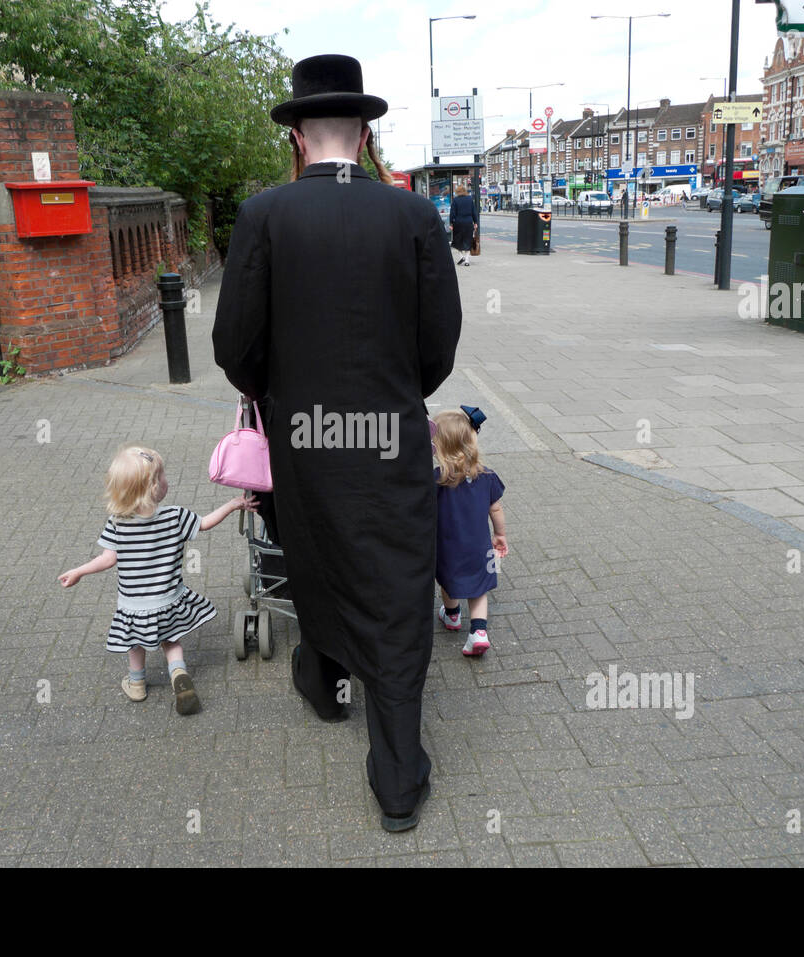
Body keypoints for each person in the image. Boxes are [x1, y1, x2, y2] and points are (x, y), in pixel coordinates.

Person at [212, 54, 462, 832]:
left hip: (304, 436)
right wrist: (395, 392)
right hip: (389, 433)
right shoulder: (414, 217)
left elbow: (234, 346)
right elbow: (439, 343)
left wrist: (276, 395)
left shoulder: (263, 217)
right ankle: (395, 776)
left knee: (314, 557)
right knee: (392, 581)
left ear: (297, 137)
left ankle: (321, 681)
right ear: (364, 132)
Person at [57, 445, 255, 715]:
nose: (167, 481)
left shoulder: (117, 524)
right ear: (152, 488)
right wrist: (233, 505)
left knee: (135, 643)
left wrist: (79, 570)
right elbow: (206, 523)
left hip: (134, 606)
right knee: (171, 639)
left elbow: (107, 559)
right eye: (162, 476)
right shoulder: (175, 517)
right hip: (168, 600)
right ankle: (179, 676)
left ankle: (137, 683)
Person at [431, 409, 508, 657]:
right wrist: (500, 535)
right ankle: (478, 632)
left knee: (447, 578)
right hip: (480, 547)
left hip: (448, 547)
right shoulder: (486, 476)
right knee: (479, 589)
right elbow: (496, 508)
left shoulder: (436, 480)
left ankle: (452, 615)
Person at [449, 184, 479, 266]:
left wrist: (451, 223)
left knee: (457, 241)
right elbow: (474, 212)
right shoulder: (469, 199)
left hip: (458, 223)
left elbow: (452, 213)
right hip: (468, 222)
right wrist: (475, 222)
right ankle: (467, 261)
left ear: (457, 192)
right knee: (468, 241)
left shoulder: (455, 200)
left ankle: (462, 256)